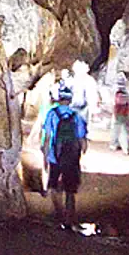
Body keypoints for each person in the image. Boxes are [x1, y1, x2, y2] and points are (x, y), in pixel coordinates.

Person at [41, 82, 88, 228]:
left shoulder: (52, 114)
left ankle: (59, 214)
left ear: (59, 99)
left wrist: (45, 155)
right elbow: (82, 140)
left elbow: (48, 136)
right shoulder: (76, 116)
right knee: (70, 188)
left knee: (53, 186)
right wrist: (79, 155)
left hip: (56, 155)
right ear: (70, 100)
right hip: (71, 156)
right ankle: (69, 218)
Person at [70, 59, 100, 125]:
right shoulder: (73, 79)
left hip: (82, 110)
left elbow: (92, 97)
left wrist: (94, 109)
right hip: (72, 108)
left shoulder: (89, 80)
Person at [110, 74, 129, 155]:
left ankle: (122, 147)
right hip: (124, 113)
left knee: (119, 130)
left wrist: (115, 112)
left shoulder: (118, 93)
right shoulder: (126, 93)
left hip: (119, 113)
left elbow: (116, 104)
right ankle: (117, 145)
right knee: (122, 130)